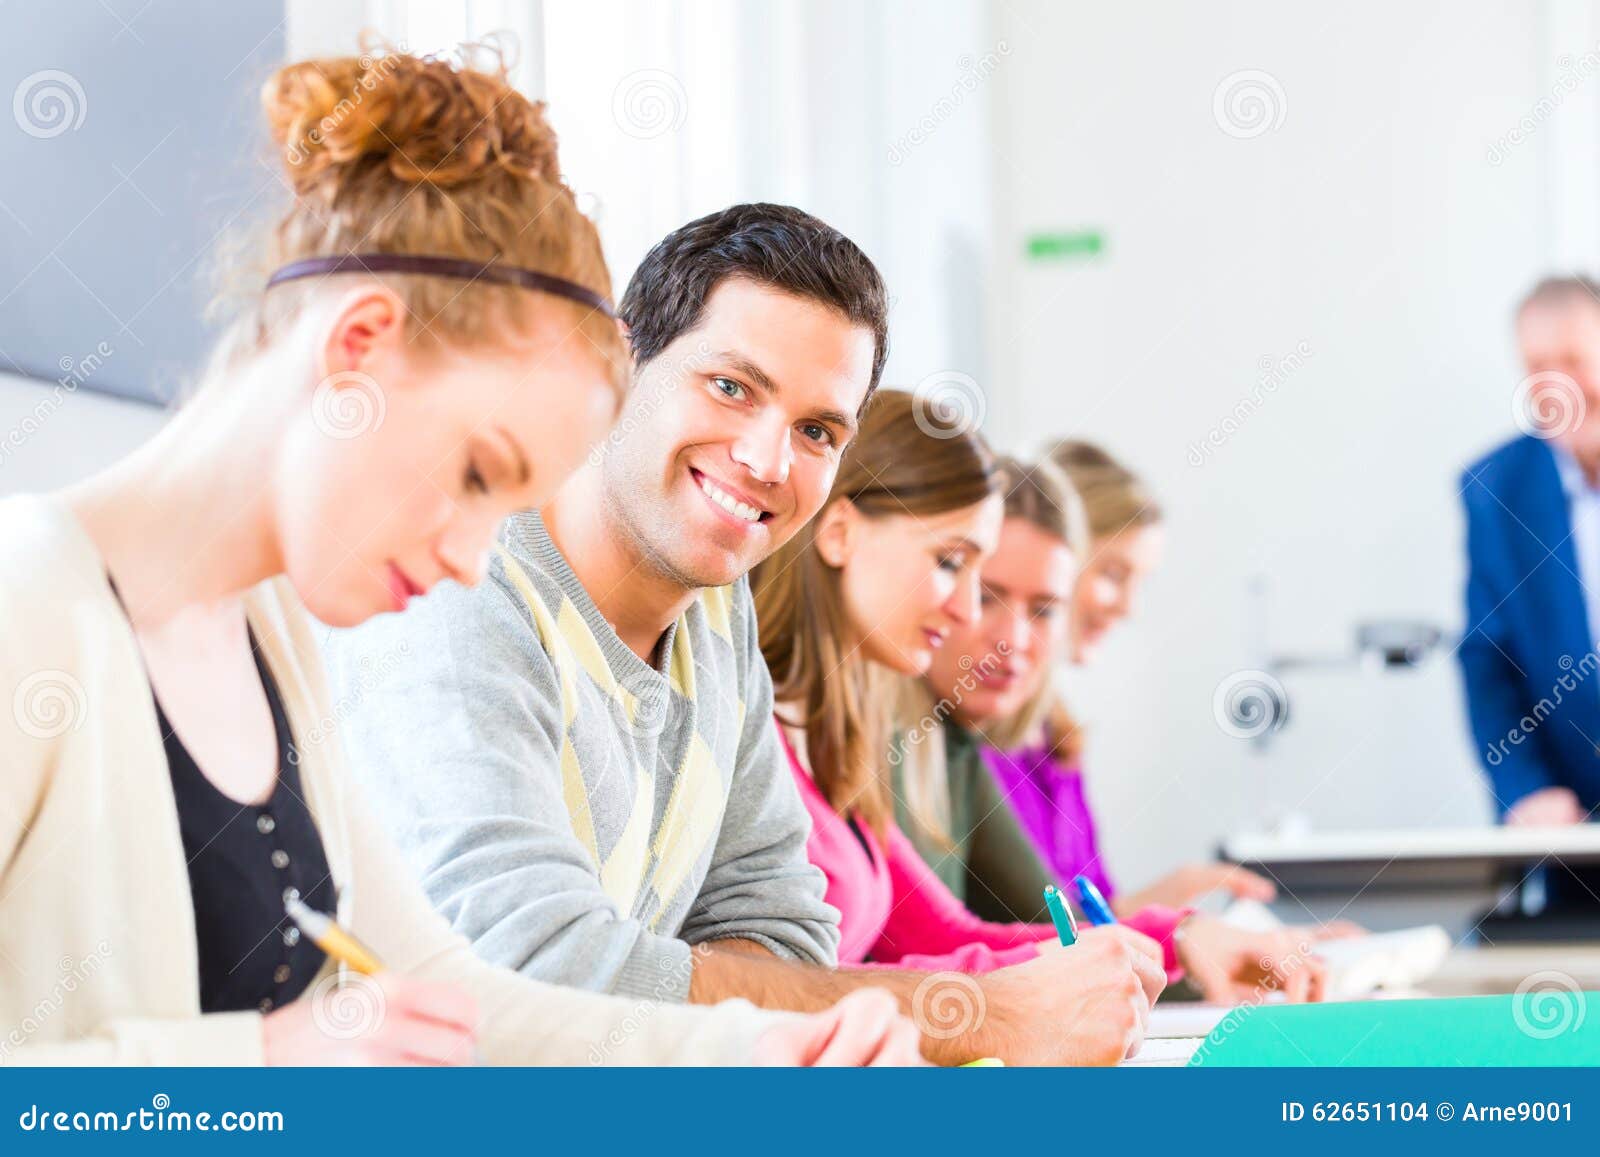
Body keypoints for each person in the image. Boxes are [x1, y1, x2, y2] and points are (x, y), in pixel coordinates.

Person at [0, 49, 920, 1067]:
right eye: (479, 474)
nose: (477, 563)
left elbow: (463, 994)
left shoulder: (273, 643)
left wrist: (772, 1045)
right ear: (358, 345)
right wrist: (264, 1061)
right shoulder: (27, 600)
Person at [327, 205, 1159, 1064]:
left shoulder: (717, 613)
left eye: (816, 431)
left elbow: (789, 929)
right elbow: (538, 978)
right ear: (618, 362)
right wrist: (979, 1014)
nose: (766, 461)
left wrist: (660, 983)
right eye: (732, 386)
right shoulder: (464, 593)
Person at [750, 391, 1165, 1063]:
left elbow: (945, 933)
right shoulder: (755, 728)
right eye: (951, 563)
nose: (969, 607)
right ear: (839, 532)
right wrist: (1011, 1003)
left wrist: (1135, 948)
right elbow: (768, 992)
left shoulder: (832, 735)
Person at [906, 451, 1329, 1005]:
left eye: (1043, 608)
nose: (1013, 636)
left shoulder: (984, 739)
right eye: (988, 595)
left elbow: (1025, 928)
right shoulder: (926, 738)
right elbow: (940, 948)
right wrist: (1171, 933)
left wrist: (1179, 934)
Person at [1461, 277, 1600, 831]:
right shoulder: (1496, 490)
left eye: (1574, 360)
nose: (1558, 388)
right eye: (1539, 366)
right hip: (1570, 837)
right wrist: (1525, 790)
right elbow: (1487, 661)